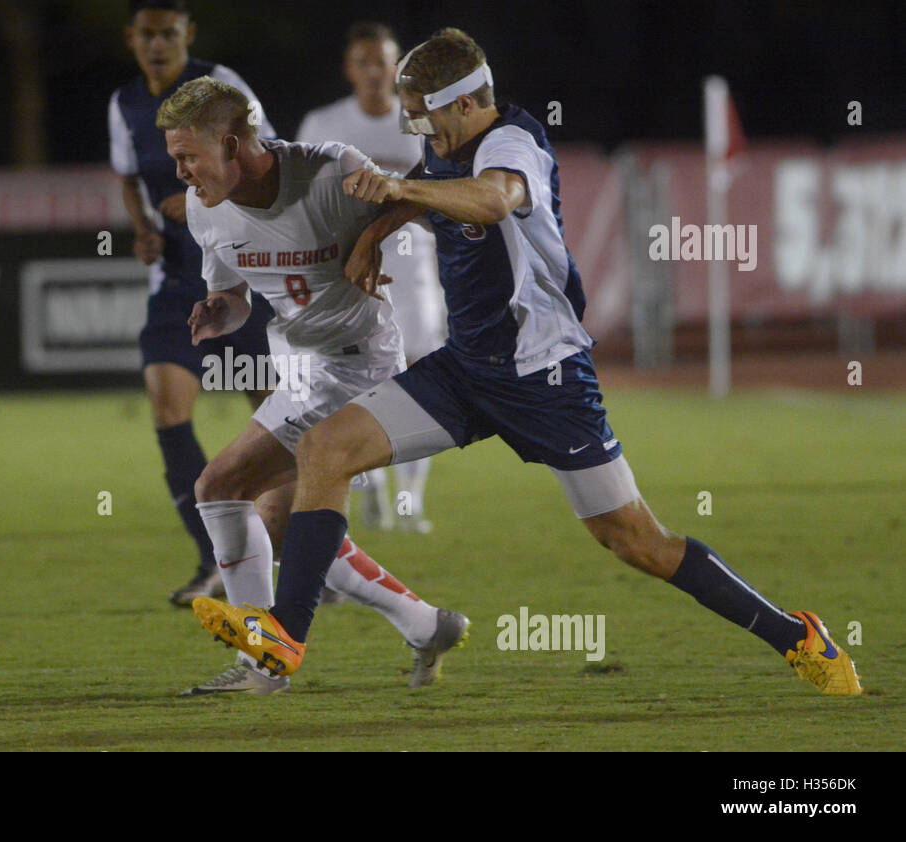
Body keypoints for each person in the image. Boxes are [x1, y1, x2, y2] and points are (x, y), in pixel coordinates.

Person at [193, 28, 863, 697]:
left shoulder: (514, 143)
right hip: (467, 369)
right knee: (324, 446)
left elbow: (490, 198)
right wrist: (374, 232)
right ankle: (285, 635)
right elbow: (428, 179)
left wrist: (397, 193)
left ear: (466, 103)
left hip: (545, 378)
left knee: (637, 542)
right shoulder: (442, 143)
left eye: (424, 113)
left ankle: (797, 636)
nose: (417, 129)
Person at [157, 75, 469, 694]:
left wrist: (375, 235)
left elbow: (421, 195)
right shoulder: (205, 208)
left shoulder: (329, 172)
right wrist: (222, 310)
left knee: (221, 486)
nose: (182, 173)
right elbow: (235, 292)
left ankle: (261, 663)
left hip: (359, 362)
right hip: (299, 368)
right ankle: (426, 624)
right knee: (276, 521)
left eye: (188, 156)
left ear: (232, 143)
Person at [109, 0, 277, 605]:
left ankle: (310, 550)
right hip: (178, 283)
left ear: (188, 35)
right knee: (166, 403)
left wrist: (210, 202)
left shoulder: (222, 86)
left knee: (277, 420)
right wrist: (141, 229)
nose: (158, 44)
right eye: (147, 35)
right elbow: (129, 177)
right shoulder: (124, 104)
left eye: (168, 34)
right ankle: (213, 560)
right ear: (132, 38)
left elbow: (271, 157)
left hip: (246, 275)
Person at [296, 21, 445, 534]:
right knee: (355, 378)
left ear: (397, 65)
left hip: (413, 263)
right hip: (346, 269)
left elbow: (445, 192)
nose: (375, 73)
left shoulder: (421, 123)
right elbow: (302, 200)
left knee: (422, 373)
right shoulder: (322, 124)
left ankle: (412, 500)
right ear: (349, 69)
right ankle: (373, 489)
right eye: (364, 62)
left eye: (383, 61)